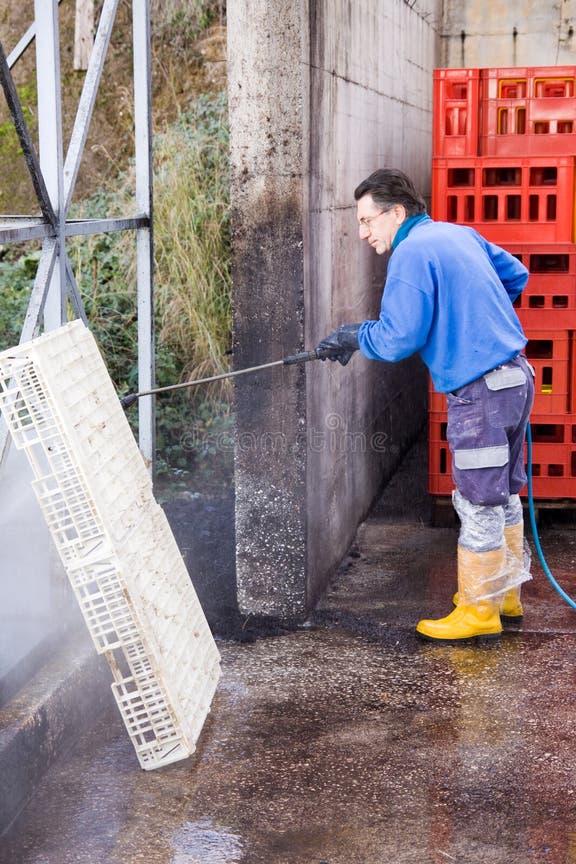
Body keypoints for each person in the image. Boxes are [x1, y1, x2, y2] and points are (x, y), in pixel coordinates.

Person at [317, 168, 534, 643]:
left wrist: (356, 337)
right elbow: (516, 275)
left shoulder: (410, 253)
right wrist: (475, 318)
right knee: (505, 491)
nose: (363, 233)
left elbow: (398, 339)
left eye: (367, 220)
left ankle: (480, 611)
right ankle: (505, 594)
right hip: (515, 379)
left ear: (396, 213)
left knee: (477, 498)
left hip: (479, 392)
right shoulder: (456, 234)